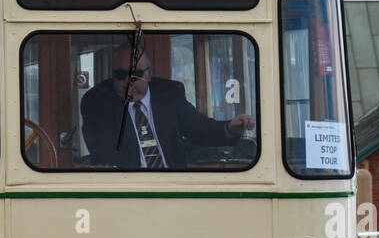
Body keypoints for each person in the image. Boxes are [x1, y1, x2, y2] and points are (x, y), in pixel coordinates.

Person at [81, 44, 255, 169]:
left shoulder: (169, 93)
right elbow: (103, 151)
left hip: (174, 184)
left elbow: (200, 129)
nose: (127, 82)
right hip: (129, 188)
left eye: (135, 75)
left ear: (149, 74)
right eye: (119, 75)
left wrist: (230, 128)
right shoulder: (97, 102)